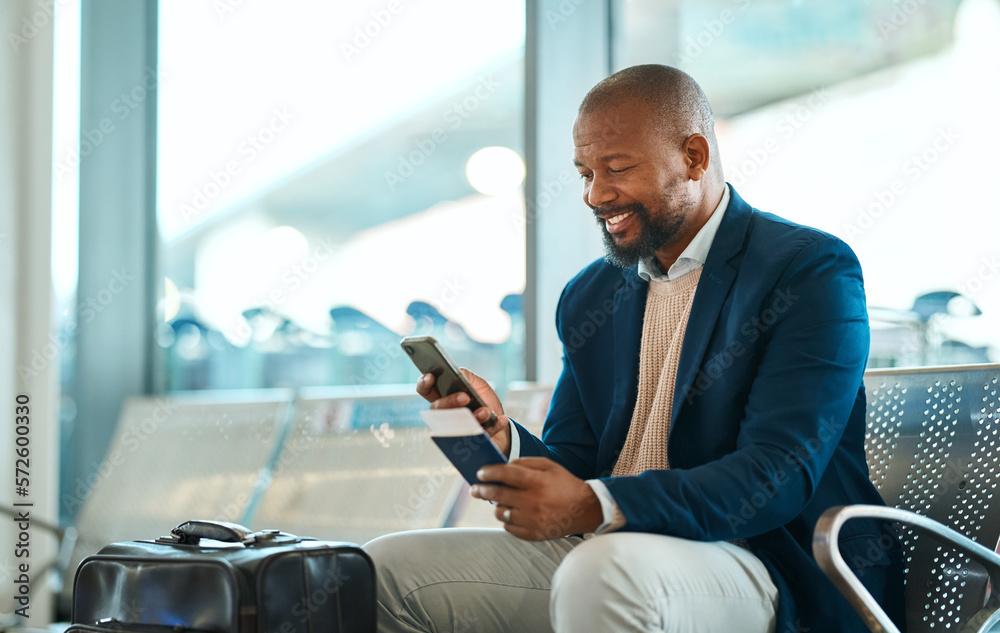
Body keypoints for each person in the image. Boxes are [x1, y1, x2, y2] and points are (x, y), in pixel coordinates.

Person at [364, 64, 905, 633]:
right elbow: (579, 462)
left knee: (603, 570)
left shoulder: (806, 270)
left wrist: (594, 505)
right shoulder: (591, 295)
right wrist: (502, 437)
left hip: (766, 561)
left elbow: (776, 475)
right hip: (611, 552)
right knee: (384, 569)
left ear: (693, 156)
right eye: (585, 173)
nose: (595, 195)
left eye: (617, 169)